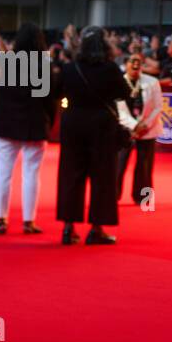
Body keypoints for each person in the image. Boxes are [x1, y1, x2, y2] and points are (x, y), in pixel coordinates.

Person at [56, 26, 130, 245]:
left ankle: (68, 227)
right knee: (103, 177)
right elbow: (124, 93)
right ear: (105, 45)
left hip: (73, 124)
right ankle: (96, 228)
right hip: (102, 125)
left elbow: (55, 92)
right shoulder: (110, 69)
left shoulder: (70, 68)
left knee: (71, 175)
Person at [0, 22, 58, 235]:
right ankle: (29, 221)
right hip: (34, 124)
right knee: (31, 174)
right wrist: (49, 121)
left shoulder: (5, 62)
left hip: (5, 124)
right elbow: (49, 99)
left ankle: (0, 219)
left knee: (2, 173)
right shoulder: (44, 64)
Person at [116, 52, 163, 205]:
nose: (136, 65)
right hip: (124, 129)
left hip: (148, 129)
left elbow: (158, 107)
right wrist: (134, 126)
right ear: (126, 64)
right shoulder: (118, 82)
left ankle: (143, 198)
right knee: (118, 164)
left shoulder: (152, 82)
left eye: (139, 62)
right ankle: (113, 195)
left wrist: (145, 125)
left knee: (145, 165)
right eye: (132, 61)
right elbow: (119, 109)